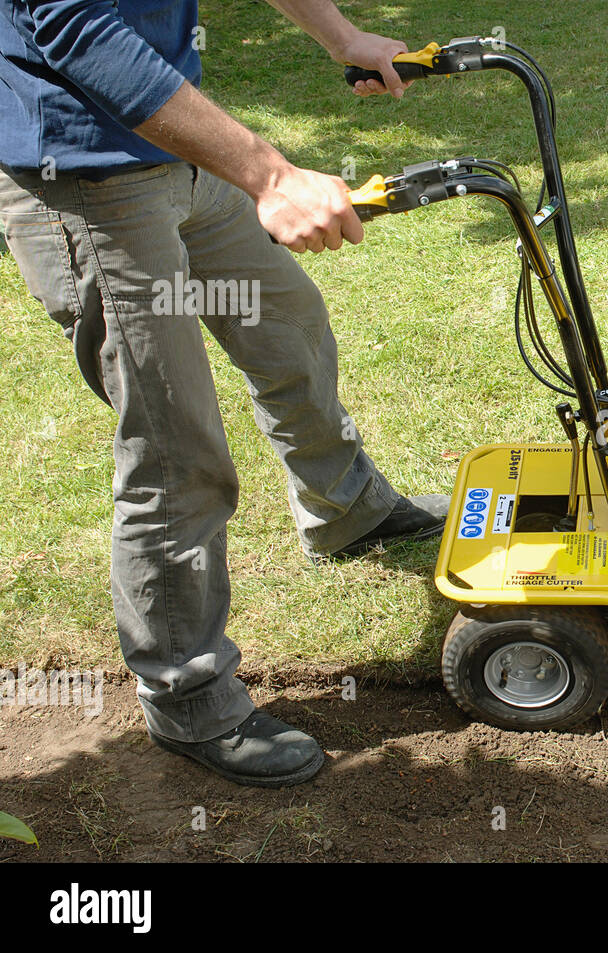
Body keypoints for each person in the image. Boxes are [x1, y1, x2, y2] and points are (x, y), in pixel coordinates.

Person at [0, 0, 443, 788]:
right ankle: (186, 690)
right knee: (176, 443)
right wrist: (271, 176)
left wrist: (342, 34)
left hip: (179, 149)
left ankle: (346, 510)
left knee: (287, 324)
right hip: (85, 176)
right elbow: (76, 27)